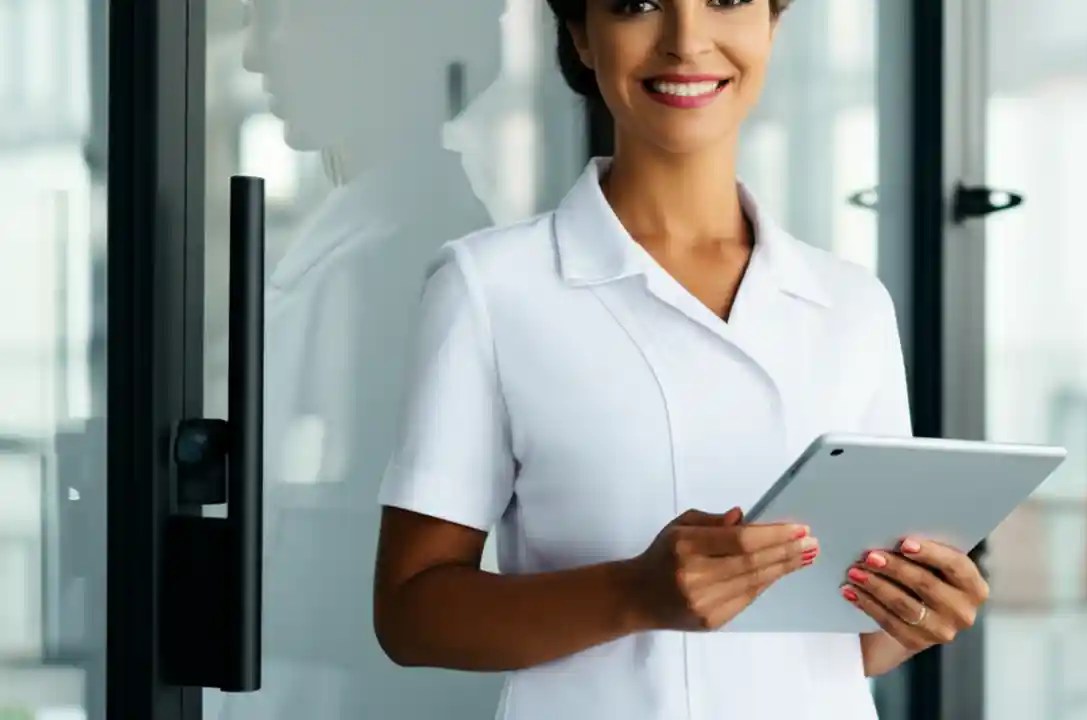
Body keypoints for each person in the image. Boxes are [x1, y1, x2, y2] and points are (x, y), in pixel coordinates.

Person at [373, 1, 991, 718]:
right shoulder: (490, 287)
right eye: (638, 5)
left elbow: (836, 645)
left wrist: (915, 616)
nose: (686, 41)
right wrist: (635, 593)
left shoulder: (851, 305)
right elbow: (410, 614)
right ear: (579, 33)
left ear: (773, 24)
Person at [210, 0, 509, 718]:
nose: (254, 55)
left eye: (278, 14)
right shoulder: (369, 239)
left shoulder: (399, 262)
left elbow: (350, 575)